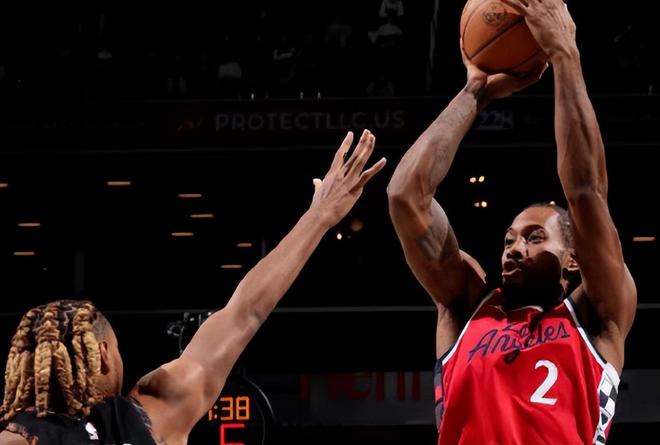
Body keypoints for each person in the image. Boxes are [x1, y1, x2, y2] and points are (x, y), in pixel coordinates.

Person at [0, 130, 386, 445]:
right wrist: (319, 217)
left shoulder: (12, 437)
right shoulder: (155, 411)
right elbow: (245, 313)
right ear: (101, 354)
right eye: (116, 349)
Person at [386, 0, 636, 444]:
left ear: (573, 258)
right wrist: (475, 92)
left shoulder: (597, 316)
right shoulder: (467, 306)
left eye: (535, 237)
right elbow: (405, 196)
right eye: (508, 240)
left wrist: (564, 55)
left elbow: (585, 192)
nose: (515, 249)